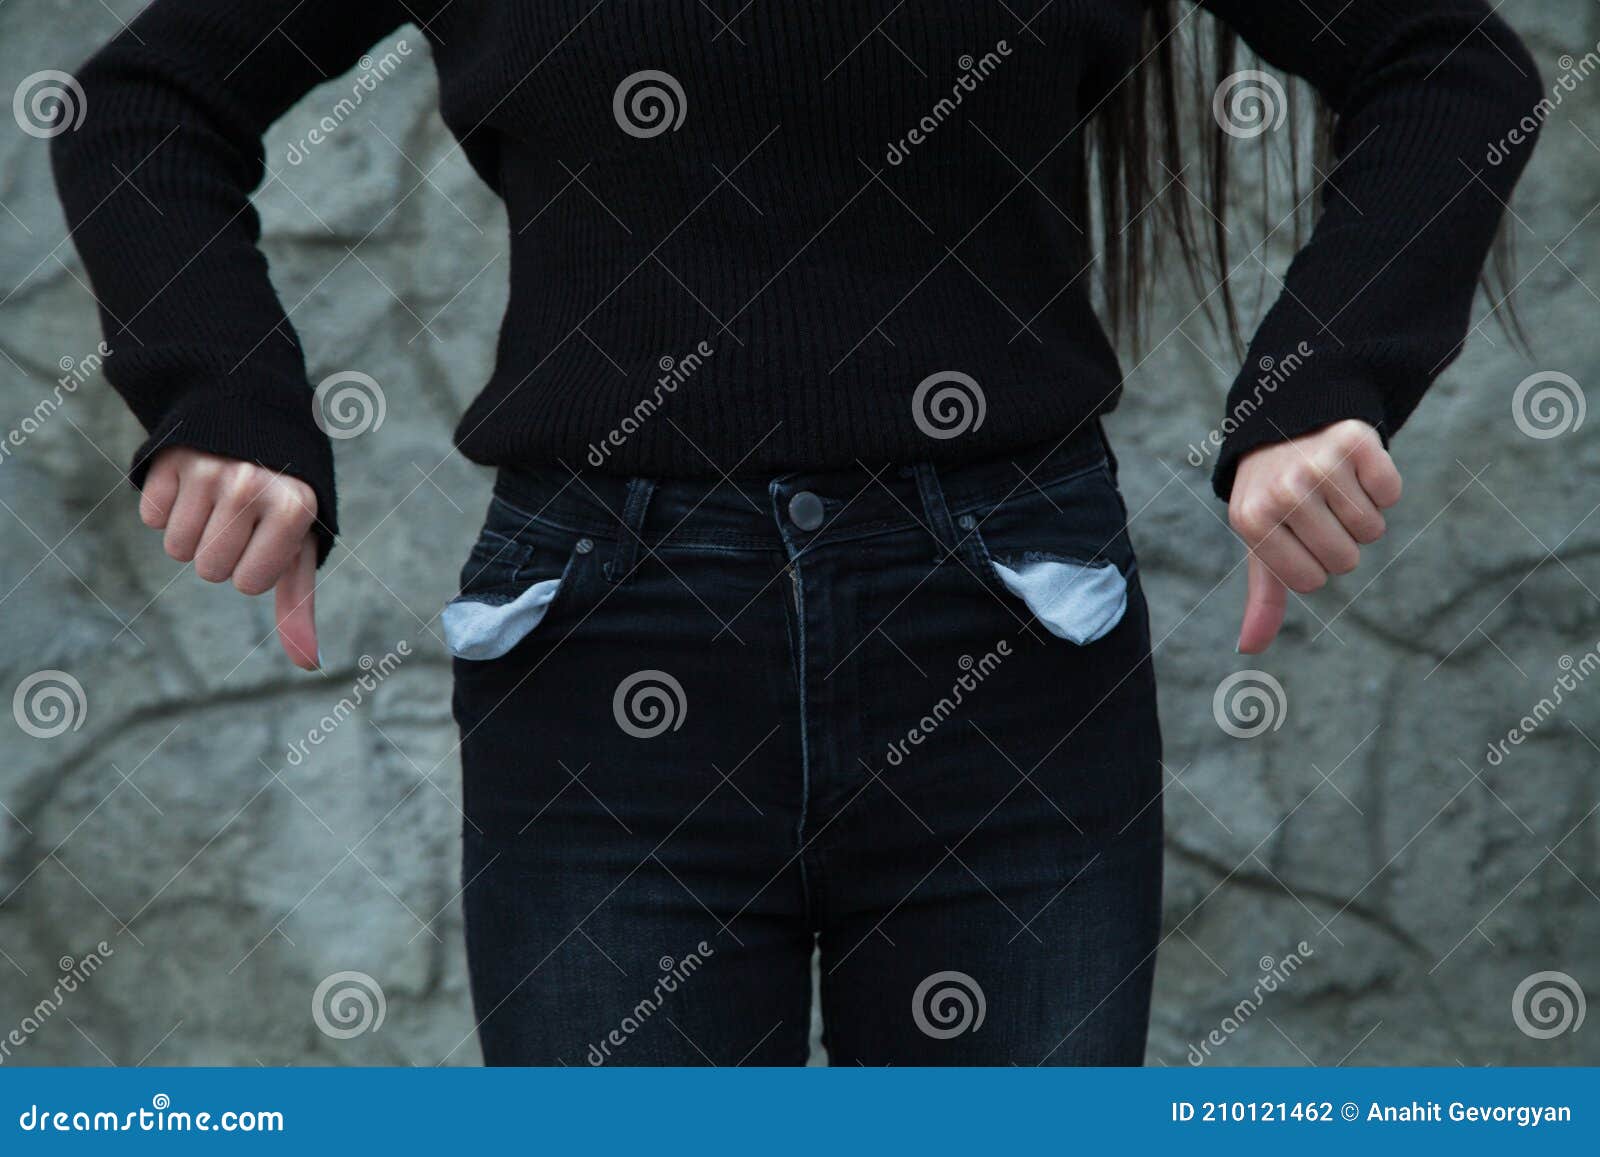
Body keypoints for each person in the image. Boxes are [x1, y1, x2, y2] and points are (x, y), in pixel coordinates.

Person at [51, 1, 1540, 1064]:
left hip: (1005, 645)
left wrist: (1321, 384)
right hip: (601, 658)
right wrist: (224, 397)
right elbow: (143, 109)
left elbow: (1447, 65)